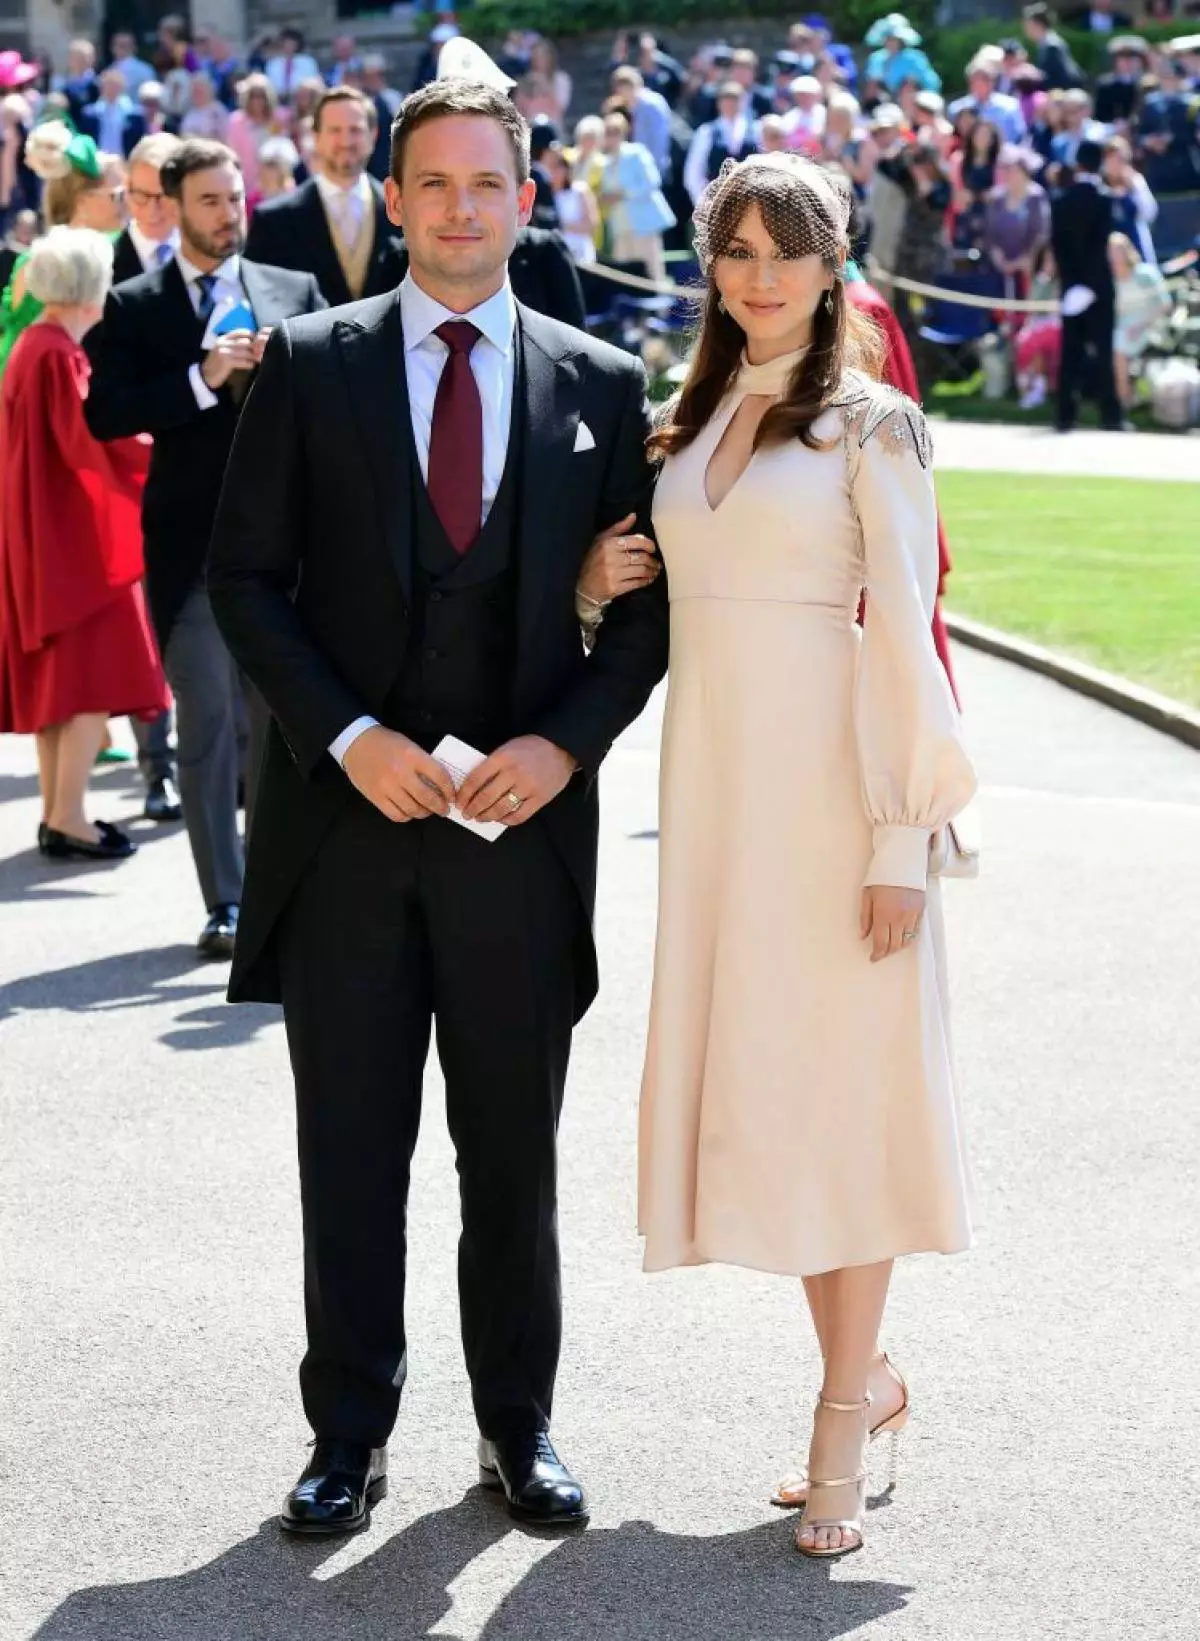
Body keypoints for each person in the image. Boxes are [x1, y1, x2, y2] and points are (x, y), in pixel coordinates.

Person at [206, 76, 668, 1538]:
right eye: (436, 184)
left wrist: (565, 746)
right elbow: (244, 584)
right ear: (390, 198)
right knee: (348, 1149)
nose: (463, 210)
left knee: (512, 1158)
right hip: (343, 838)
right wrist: (341, 736)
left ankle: (518, 1428)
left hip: (516, 847)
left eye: (490, 185)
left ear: (530, 202)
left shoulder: (598, 383)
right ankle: (346, 1432)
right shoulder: (306, 363)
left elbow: (651, 618)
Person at [637, 152, 975, 1560]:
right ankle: (869, 1376)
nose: (760, 277)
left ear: (836, 265)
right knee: (779, 1105)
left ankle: (844, 1411)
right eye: (735, 251)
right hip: (718, 810)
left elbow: (902, 626)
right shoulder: (692, 415)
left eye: (786, 251)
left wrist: (904, 835)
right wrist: (610, 578)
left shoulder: (873, 426)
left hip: (839, 813)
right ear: (710, 266)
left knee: (848, 1107)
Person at [84, 138, 325, 958]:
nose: (230, 215)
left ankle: (273, 890)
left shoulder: (293, 291)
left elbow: (337, 407)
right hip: (191, 553)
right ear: (175, 208)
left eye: (237, 199)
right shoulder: (137, 303)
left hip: (286, 553)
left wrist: (278, 373)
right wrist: (199, 377)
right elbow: (104, 414)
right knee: (210, 726)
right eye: (213, 202)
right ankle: (223, 902)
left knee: (281, 728)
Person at [0, 227, 168, 860]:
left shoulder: (34, 345)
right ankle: (69, 817)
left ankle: (58, 812)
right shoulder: (57, 354)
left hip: (49, 537)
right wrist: (161, 444)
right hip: (78, 547)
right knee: (95, 680)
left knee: (60, 690)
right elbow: (92, 441)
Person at [110, 131, 185, 824]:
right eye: (141, 196)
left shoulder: (218, 264)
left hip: (205, 486)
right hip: (126, 482)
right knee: (147, 634)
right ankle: (154, 765)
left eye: (166, 195)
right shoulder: (104, 269)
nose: (156, 209)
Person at [244, 86, 406, 310]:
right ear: (316, 137)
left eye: (355, 130)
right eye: (335, 130)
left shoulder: (404, 214)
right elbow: (258, 301)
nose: (346, 141)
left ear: (373, 135)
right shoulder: (274, 221)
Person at [1, 127, 125, 376]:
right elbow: (17, 343)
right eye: (117, 195)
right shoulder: (40, 262)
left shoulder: (121, 249)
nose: (128, 204)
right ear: (82, 200)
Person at [1050, 139, 1122, 431]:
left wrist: (1072, 284)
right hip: (1098, 288)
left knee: (1070, 355)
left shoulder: (1061, 199)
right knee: (1103, 353)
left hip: (1071, 288)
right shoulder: (1104, 199)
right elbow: (1099, 245)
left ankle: (1065, 415)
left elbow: (1059, 246)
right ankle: (1110, 416)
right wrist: (1092, 285)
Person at [599, 107, 675, 284]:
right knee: (625, 273)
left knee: (652, 269)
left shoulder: (636, 152)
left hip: (643, 223)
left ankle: (660, 309)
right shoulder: (606, 162)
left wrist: (623, 194)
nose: (612, 136)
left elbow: (652, 182)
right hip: (620, 225)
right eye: (608, 132)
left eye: (615, 131)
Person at [1110, 231, 1172, 408]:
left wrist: (1140, 326)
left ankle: (1123, 400)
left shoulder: (1146, 274)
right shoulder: (1110, 281)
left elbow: (1164, 305)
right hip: (1121, 330)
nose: (1114, 256)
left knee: (1118, 348)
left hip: (1150, 328)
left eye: (1118, 250)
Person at [984, 144, 1050, 295]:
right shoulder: (997, 198)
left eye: (1015, 171)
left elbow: (1041, 232)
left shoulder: (1036, 197)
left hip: (1030, 268)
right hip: (998, 268)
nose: (1011, 175)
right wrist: (997, 256)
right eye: (1008, 171)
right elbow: (990, 231)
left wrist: (1026, 260)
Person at [683, 81, 760, 206]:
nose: (730, 104)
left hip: (751, 202)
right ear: (719, 103)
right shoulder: (707, 132)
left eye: (735, 99)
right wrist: (703, 204)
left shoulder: (757, 130)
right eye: (726, 99)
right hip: (717, 203)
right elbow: (693, 171)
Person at [1103, 135, 1158, 263]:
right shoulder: (1100, 183)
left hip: (1134, 239)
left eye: (1120, 160)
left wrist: (1132, 189)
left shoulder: (1135, 181)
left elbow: (1149, 213)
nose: (1116, 164)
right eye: (1112, 159)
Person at [226, 74, 282, 197]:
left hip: (274, 186)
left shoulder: (277, 120)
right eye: (253, 96)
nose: (257, 101)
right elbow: (232, 156)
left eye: (261, 96)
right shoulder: (236, 122)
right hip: (247, 186)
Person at [545, 145, 599, 264]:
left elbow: (592, 224)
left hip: (580, 254)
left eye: (559, 166)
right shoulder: (543, 194)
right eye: (551, 166)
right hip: (553, 256)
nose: (554, 171)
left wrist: (561, 225)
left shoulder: (580, 191)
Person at [79, 68, 147, 158]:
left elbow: (139, 141)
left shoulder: (134, 114)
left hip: (124, 160)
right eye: (107, 85)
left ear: (122, 87)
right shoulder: (90, 113)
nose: (111, 89)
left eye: (115, 85)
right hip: (98, 159)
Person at [1021, 5, 1084, 90]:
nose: (1026, 29)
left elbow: (1051, 77)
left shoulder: (1051, 45)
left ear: (1038, 24)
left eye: (1028, 25)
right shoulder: (1048, 42)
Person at [263, 28, 320, 105]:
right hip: (278, 102)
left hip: (302, 101)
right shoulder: (272, 64)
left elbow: (313, 84)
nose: (288, 45)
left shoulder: (308, 62)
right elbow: (269, 86)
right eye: (286, 42)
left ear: (297, 44)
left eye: (291, 43)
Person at [108, 32, 157, 100]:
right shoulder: (108, 71)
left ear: (134, 47)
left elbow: (152, 95)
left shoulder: (145, 70)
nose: (123, 49)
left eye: (126, 45)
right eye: (120, 45)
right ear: (113, 48)